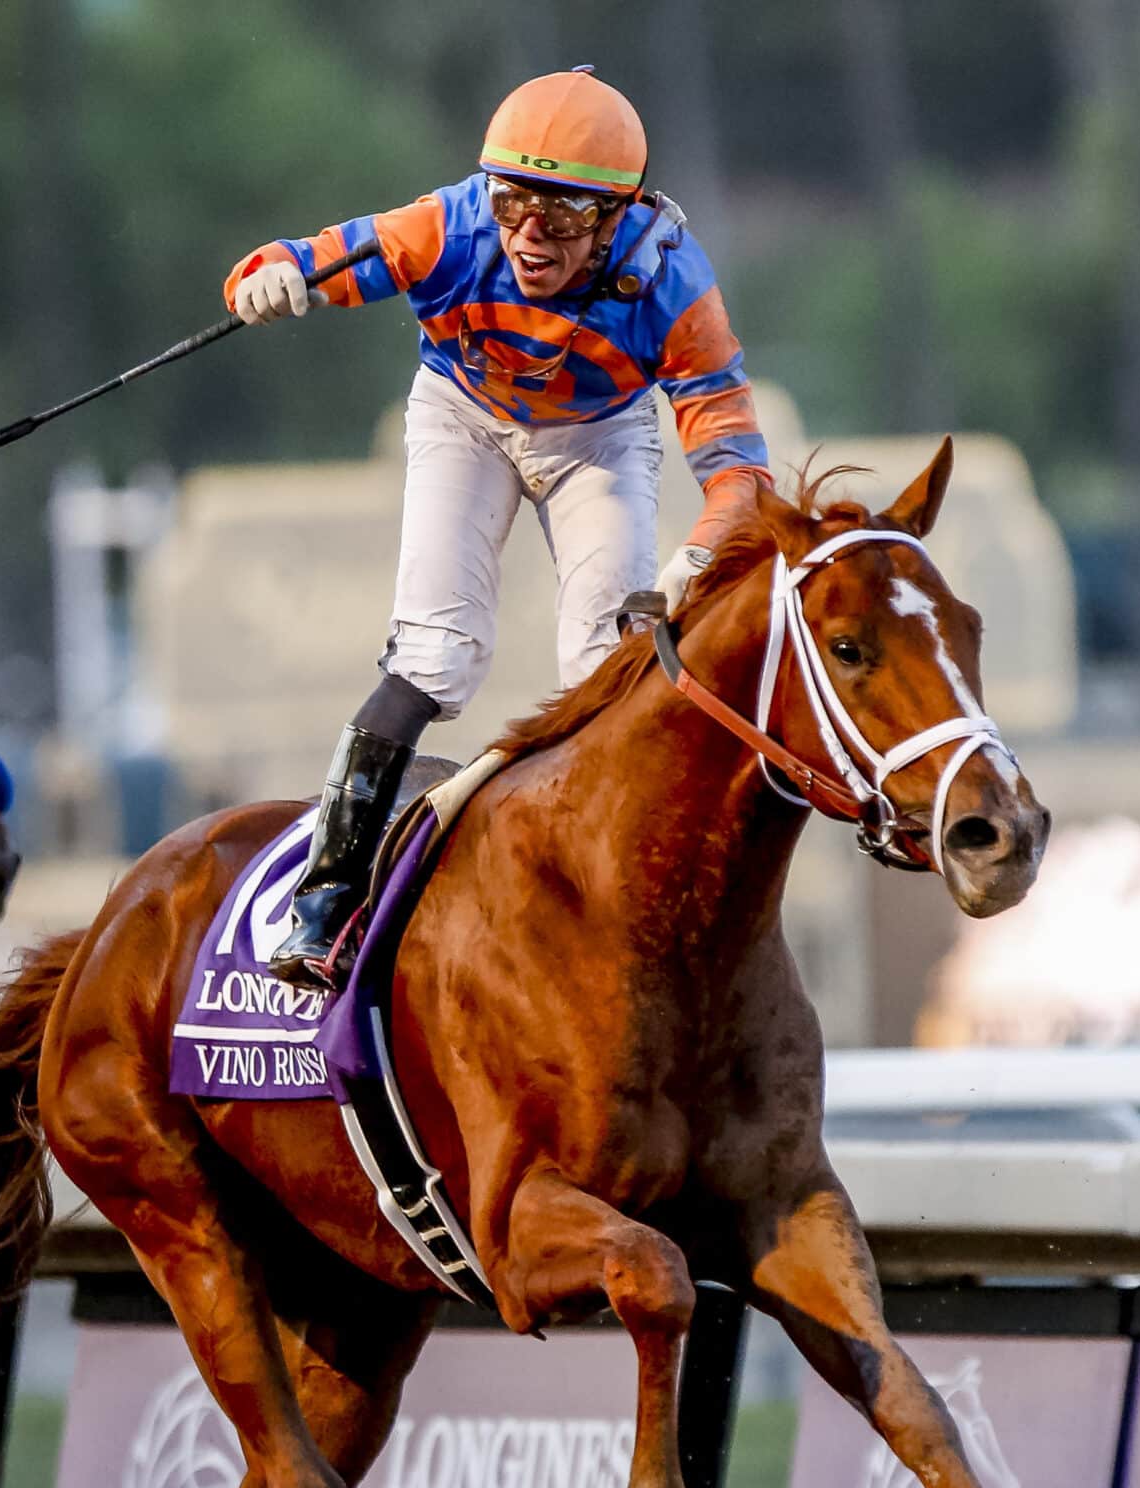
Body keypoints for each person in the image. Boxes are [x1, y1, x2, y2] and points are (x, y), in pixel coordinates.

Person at [226, 66, 773, 984]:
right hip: (463, 413)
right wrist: (275, 277)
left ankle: (616, 897)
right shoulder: (456, 223)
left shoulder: (674, 284)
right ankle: (323, 903)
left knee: (605, 668)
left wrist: (698, 558)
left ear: (615, 218)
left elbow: (742, 478)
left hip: (597, 437)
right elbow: (319, 255)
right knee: (437, 654)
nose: (526, 236)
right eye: (514, 202)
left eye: (559, 218)